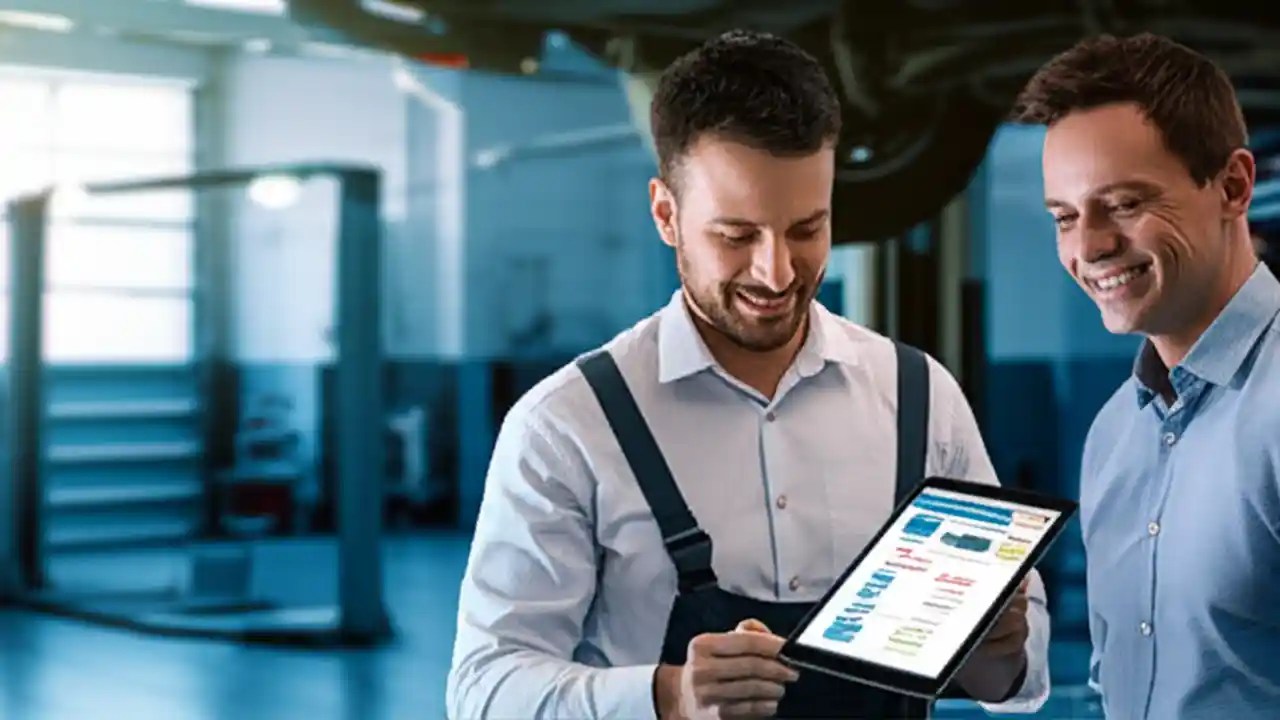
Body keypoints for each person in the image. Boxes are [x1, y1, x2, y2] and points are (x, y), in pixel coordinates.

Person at [447, 29, 1052, 719]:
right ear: (666, 214)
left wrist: (997, 651)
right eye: (736, 236)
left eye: (806, 229)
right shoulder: (566, 426)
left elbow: (1014, 672)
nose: (777, 272)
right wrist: (666, 697)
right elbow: (483, 691)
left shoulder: (920, 397)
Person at [1012, 32, 1280, 720]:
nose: (1089, 246)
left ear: (1233, 186)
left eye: (1126, 204)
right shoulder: (1115, 433)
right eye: (1064, 217)